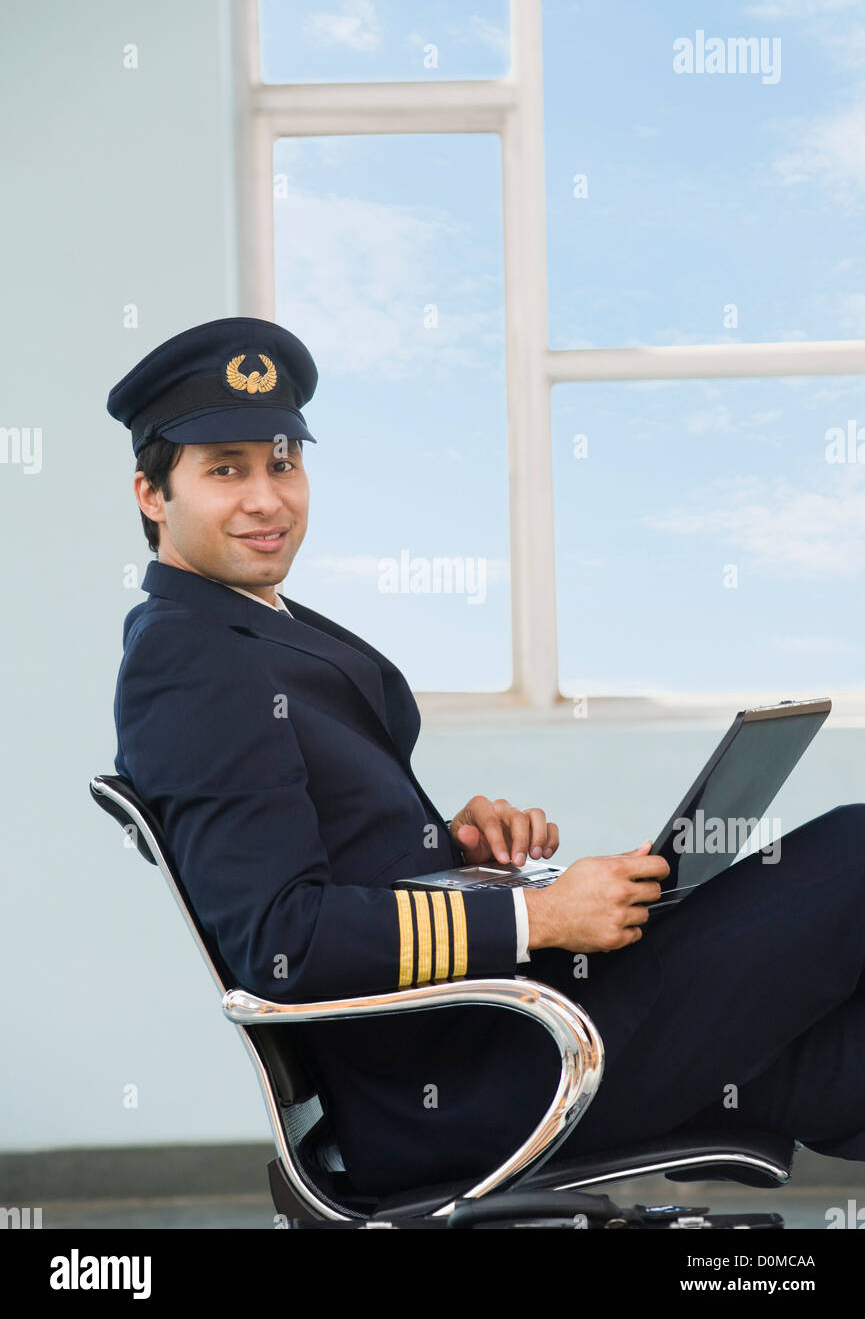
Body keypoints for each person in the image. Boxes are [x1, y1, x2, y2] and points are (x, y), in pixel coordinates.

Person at [108, 316, 865, 1197]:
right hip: (477, 1077)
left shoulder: (247, 628)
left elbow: (324, 847)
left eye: (281, 463)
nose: (267, 498)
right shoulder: (188, 656)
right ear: (153, 495)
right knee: (852, 847)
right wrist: (538, 920)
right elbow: (282, 941)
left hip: (492, 1041)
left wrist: (450, 851)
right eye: (225, 470)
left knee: (839, 1060)